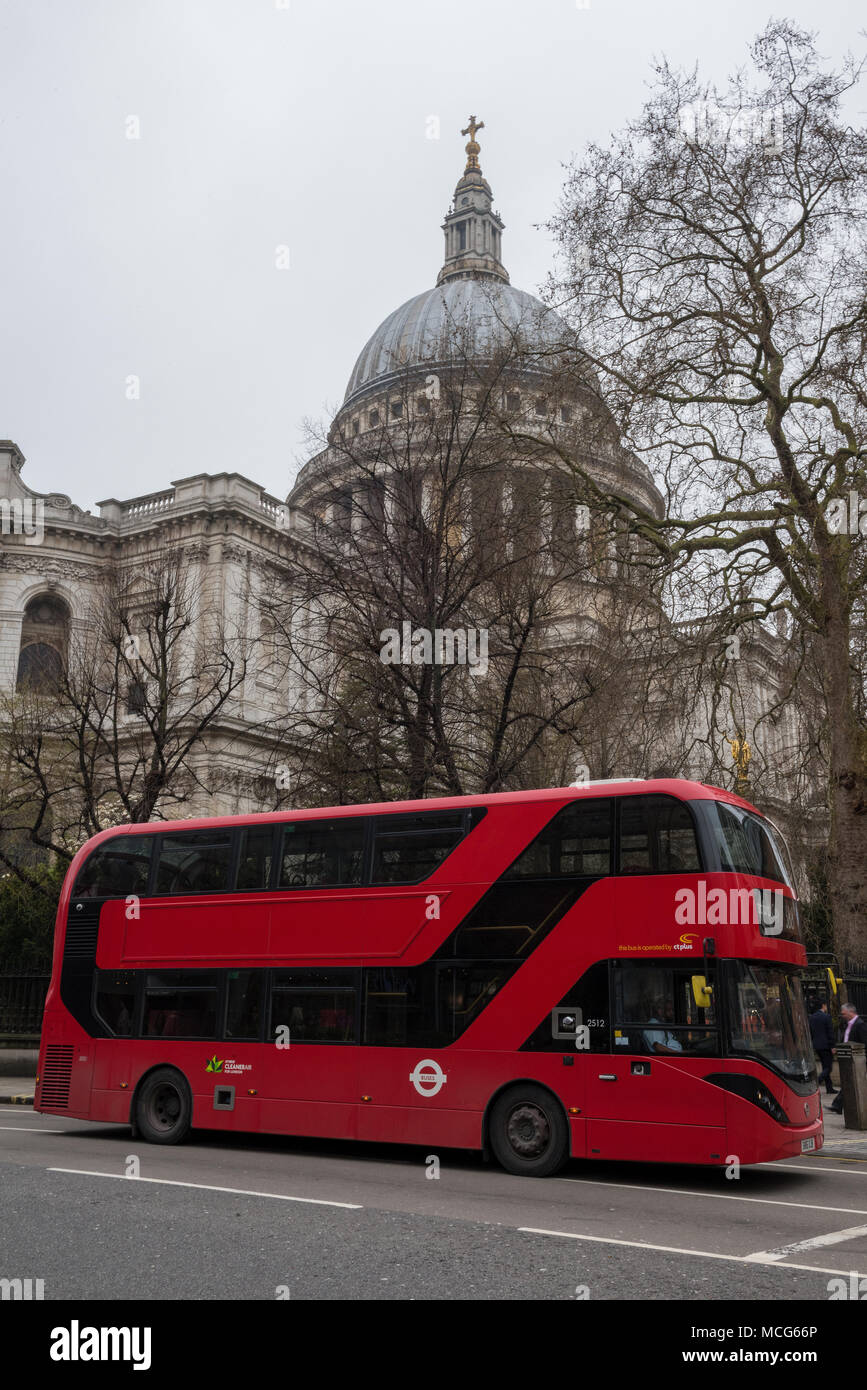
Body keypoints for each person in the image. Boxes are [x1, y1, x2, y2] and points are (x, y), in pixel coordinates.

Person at [828, 1003, 867, 1114]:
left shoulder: (860, 1025)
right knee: (849, 1082)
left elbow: (864, 1043)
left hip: (857, 1060)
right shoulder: (847, 1024)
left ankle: (837, 1105)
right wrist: (839, 1047)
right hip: (848, 1058)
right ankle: (838, 1105)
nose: (843, 1016)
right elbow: (846, 1039)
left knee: (850, 1082)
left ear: (851, 1012)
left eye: (844, 1013)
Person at [809, 1001, 837, 1095]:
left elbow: (811, 1032)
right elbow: (830, 1032)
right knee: (828, 1068)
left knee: (825, 1066)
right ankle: (817, 1081)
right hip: (826, 1045)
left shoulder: (812, 1017)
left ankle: (829, 1088)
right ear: (823, 1006)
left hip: (817, 1045)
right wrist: (832, 1045)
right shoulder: (826, 1017)